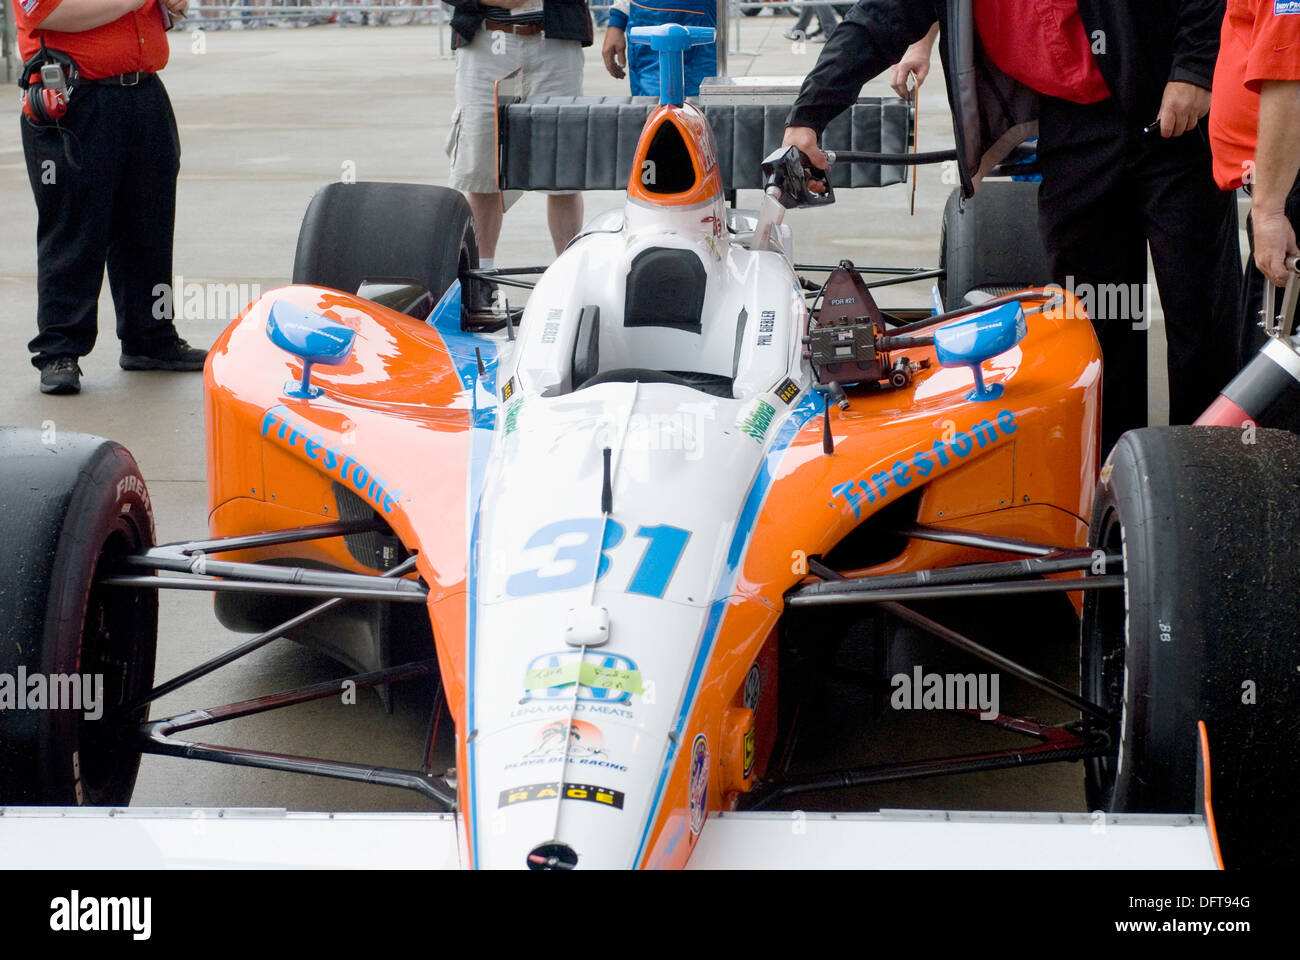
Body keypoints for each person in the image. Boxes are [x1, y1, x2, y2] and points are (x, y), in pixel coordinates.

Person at [784, 1, 1241, 454]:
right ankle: (1115, 481)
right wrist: (808, 115)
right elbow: (876, 21)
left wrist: (1196, 69)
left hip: (1172, 113)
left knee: (1199, 312)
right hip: (1076, 123)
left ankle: (1209, 472)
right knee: (1100, 318)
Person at [13, 0, 206, 396]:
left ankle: (150, 337)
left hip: (143, 90)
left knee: (149, 224)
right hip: (75, 94)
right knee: (74, 227)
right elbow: (46, 14)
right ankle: (58, 349)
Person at [445, 0, 592, 281]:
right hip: (485, 42)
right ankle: (482, 280)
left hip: (556, 42)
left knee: (564, 174)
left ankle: (569, 278)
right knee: (481, 170)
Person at [1208, 0, 1300, 370]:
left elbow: (1289, 77)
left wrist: (1269, 211)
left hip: (1289, 192)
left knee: (1271, 378)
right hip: (1284, 186)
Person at [602, 0, 716, 97]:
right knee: (651, 106)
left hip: (698, 17)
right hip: (648, 14)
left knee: (698, 104)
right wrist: (617, 21)